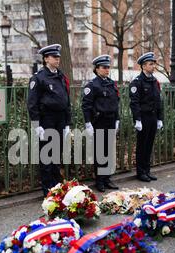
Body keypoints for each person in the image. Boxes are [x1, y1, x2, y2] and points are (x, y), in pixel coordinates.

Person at [27, 44, 72, 196]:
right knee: (46, 154)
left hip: (59, 119)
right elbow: (32, 103)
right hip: (46, 120)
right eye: (54, 57)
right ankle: (47, 189)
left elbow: (66, 101)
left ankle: (57, 186)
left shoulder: (60, 76)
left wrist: (67, 123)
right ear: (46, 59)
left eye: (58, 57)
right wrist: (36, 125)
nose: (57, 59)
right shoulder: (39, 78)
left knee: (56, 154)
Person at [81, 54, 120, 192]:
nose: (107, 70)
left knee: (109, 151)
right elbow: (86, 105)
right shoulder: (92, 85)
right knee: (100, 152)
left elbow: (116, 103)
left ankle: (107, 177)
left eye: (108, 67)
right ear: (97, 69)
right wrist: (88, 123)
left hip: (110, 120)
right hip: (99, 121)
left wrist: (117, 119)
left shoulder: (111, 84)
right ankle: (100, 180)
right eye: (104, 67)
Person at [129, 52, 164, 182]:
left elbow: (159, 101)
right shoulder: (137, 82)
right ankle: (140, 172)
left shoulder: (155, 81)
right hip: (143, 118)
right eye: (150, 64)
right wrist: (137, 119)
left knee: (149, 145)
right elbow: (134, 103)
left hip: (153, 117)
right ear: (143, 66)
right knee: (142, 146)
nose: (153, 66)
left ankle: (147, 170)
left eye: (153, 63)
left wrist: (160, 118)